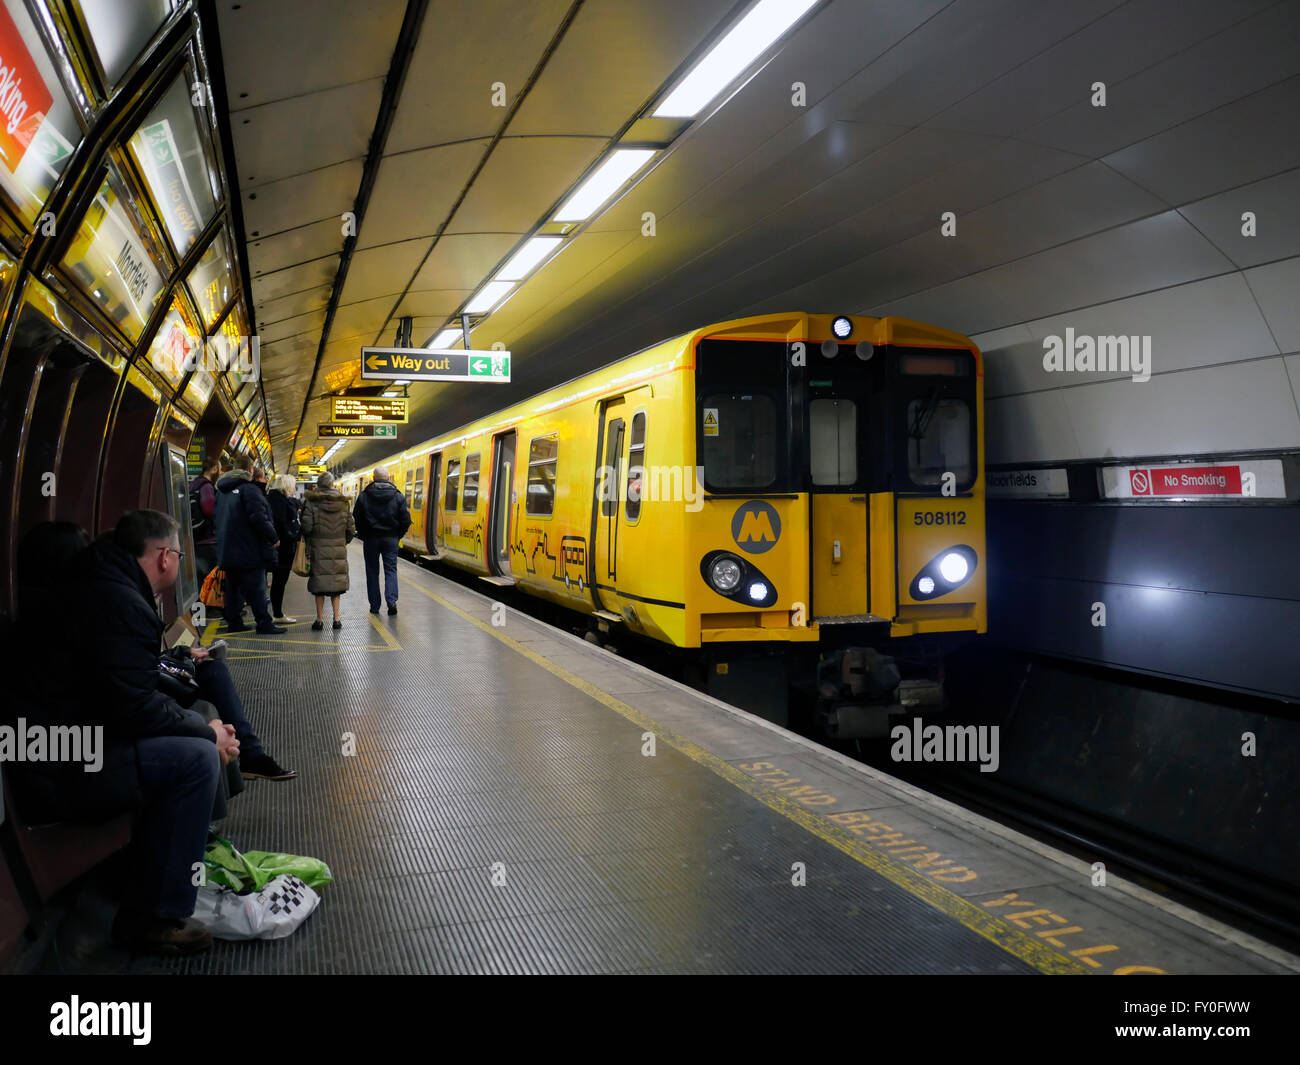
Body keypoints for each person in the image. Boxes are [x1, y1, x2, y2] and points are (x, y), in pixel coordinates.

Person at [11, 513, 238, 955]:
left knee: (197, 739)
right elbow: (133, 708)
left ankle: (176, 860)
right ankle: (153, 918)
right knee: (196, 759)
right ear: (163, 557)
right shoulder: (118, 600)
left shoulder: (103, 587)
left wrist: (199, 727)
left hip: (63, 743)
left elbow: (127, 694)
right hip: (60, 761)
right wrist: (206, 734)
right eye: (176, 553)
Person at [214, 455, 284, 635]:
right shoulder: (249, 489)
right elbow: (259, 518)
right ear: (251, 470)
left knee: (233, 589)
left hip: (227, 549)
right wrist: (273, 537)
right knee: (257, 588)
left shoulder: (221, 491)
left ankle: (234, 622)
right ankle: (264, 623)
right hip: (248, 549)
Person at [352, 465, 411, 616]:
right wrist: (397, 535)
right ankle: (391, 602)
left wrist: (364, 534)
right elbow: (406, 519)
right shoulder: (398, 496)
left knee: (372, 572)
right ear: (388, 477)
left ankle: (375, 606)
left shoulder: (364, 496)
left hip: (371, 539)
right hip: (391, 538)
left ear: (373, 478)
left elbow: (357, 518)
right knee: (391, 570)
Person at [299, 470, 354, 631]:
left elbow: (307, 528)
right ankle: (337, 619)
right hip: (338, 549)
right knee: (336, 584)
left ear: (318, 485)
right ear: (332, 484)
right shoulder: (344, 503)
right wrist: (343, 541)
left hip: (317, 548)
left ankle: (319, 619)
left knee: (319, 585)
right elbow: (351, 529)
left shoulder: (311, 502)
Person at [267, 473, 301, 624]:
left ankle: (276, 613)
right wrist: (292, 536)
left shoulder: (274, 499)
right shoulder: (280, 502)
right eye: (293, 486)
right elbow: (282, 524)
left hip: (279, 546)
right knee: (279, 581)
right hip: (283, 548)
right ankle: (278, 614)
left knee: (278, 581)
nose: (295, 489)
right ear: (287, 486)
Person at [188, 459, 222, 585]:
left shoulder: (193, 484)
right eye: (218, 469)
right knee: (212, 581)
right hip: (208, 540)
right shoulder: (206, 486)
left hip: (196, 536)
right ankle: (210, 605)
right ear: (213, 469)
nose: (219, 472)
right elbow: (209, 510)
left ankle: (201, 605)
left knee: (201, 579)